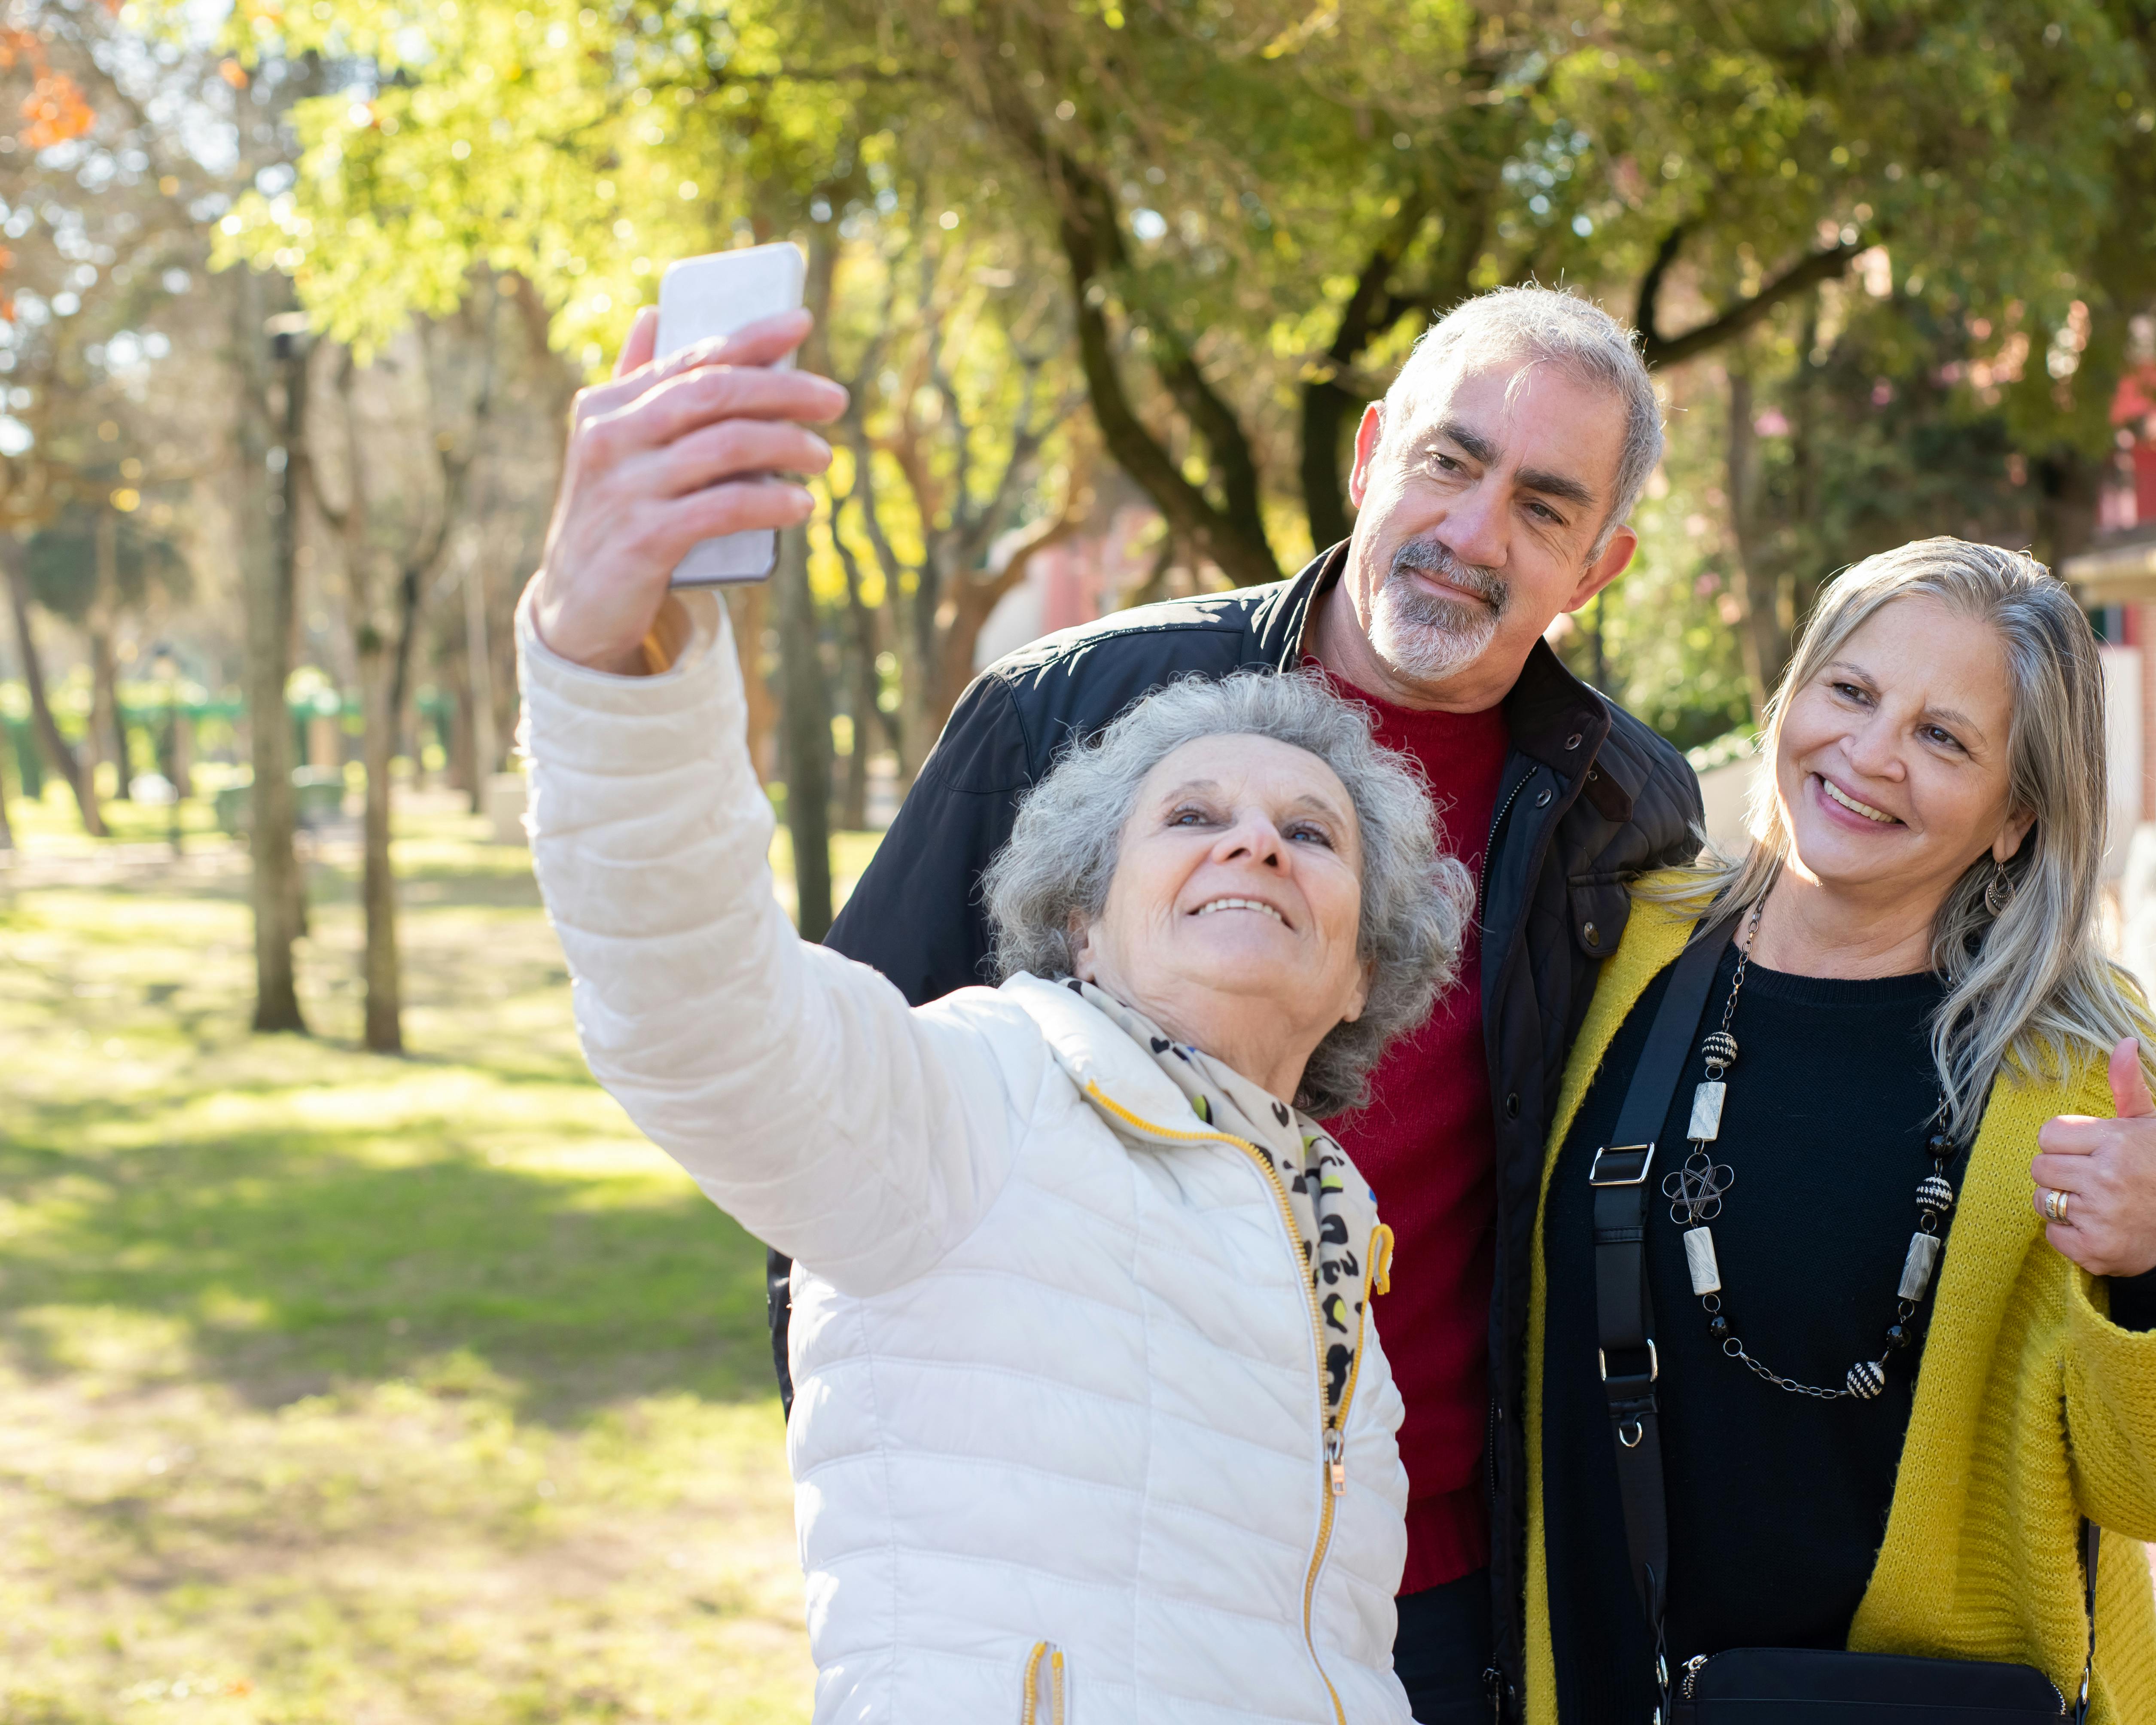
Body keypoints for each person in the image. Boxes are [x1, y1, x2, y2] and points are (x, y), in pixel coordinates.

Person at [517, 308, 1478, 1714]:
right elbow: (700, 1011)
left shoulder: (1327, 1219)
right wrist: (610, 664)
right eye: (1193, 815)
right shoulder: (983, 1095)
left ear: (1360, 974)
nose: (1255, 845)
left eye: (1311, 835)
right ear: (1082, 920)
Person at [796, 285, 1704, 1719]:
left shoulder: (1625, 809)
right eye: (1449, 462)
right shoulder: (1065, 709)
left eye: (1544, 507)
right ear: (1369, 456)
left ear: (1598, 566)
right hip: (1081, 1564)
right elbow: (822, 1124)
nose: (1474, 535)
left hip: (1435, 1588)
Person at [1522, 539, 2156, 1723]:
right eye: (1852, 691)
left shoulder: (2073, 1063)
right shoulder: (1619, 951)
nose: (1870, 755)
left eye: (1945, 738)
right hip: (1596, 1685)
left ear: (2015, 817)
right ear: (1793, 698)